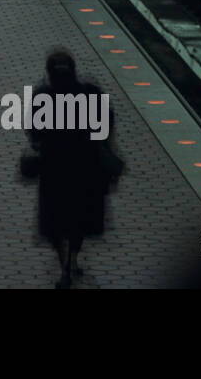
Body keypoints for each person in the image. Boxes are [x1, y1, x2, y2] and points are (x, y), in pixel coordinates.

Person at [28, 49, 118, 289]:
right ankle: (73, 259)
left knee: (55, 220)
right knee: (80, 218)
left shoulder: (43, 96)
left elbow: (34, 135)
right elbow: (106, 125)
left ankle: (64, 265)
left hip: (54, 168)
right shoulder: (91, 93)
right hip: (86, 168)